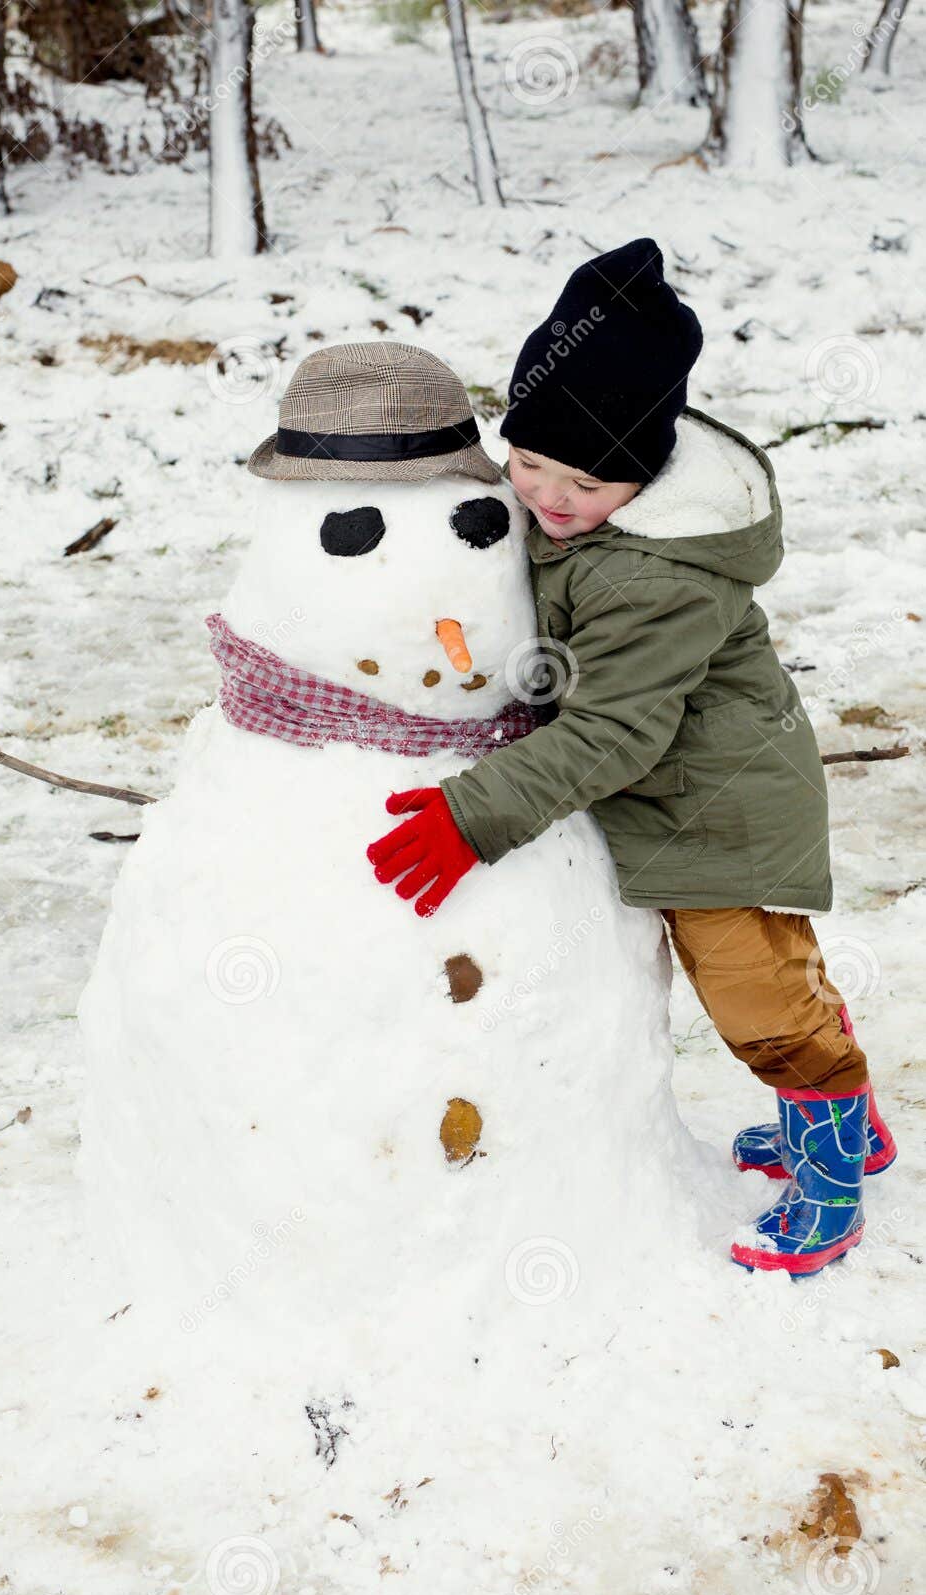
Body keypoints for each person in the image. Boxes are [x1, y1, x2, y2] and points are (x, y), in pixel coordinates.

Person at [366, 238, 896, 1277]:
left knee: (755, 999)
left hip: (719, 812)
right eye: (527, 466)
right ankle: (846, 1115)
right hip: (678, 797)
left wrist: (474, 812)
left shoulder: (659, 576)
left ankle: (831, 1165)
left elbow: (615, 729)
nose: (550, 499)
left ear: (643, 473)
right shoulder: (566, 518)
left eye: (587, 479)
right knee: (775, 981)